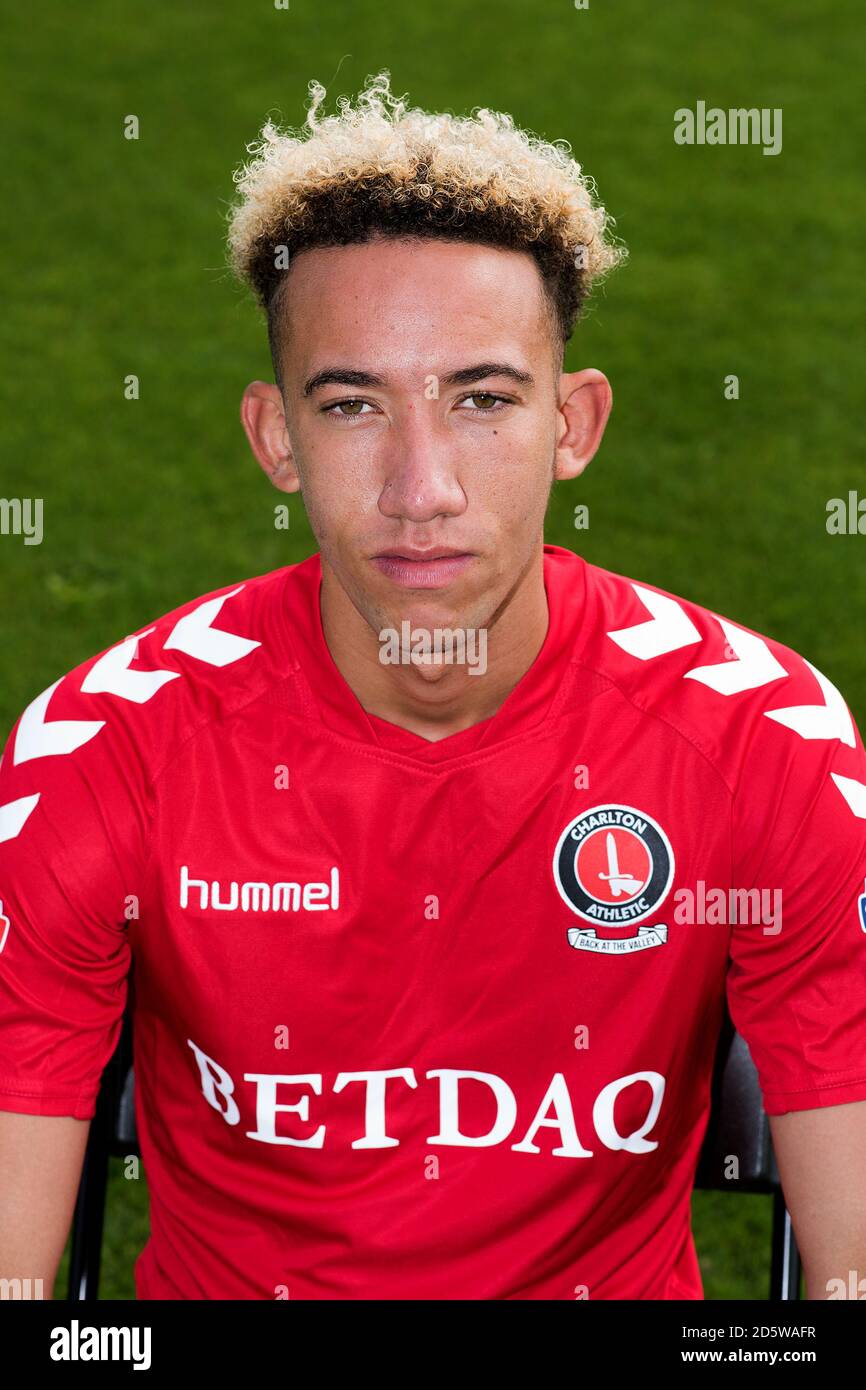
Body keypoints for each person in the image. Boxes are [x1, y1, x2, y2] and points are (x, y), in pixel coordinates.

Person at [1, 72, 864, 1301]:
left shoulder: (761, 743)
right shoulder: (107, 749)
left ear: (574, 424)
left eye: (480, 401)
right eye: (352, 404)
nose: (421, 487)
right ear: (274, 439)